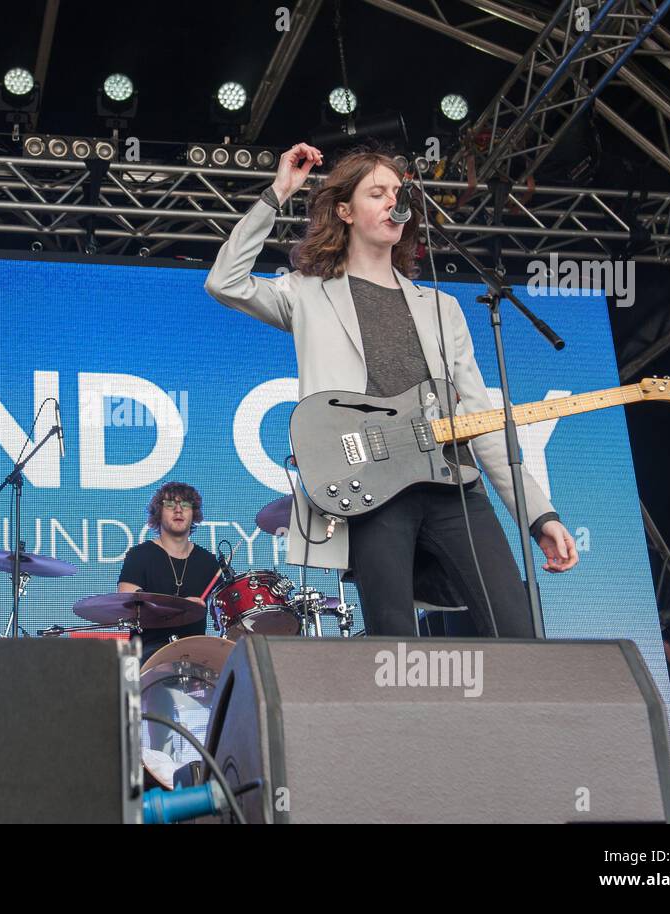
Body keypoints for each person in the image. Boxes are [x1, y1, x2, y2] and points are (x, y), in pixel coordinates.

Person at [204, 143, 579, 638]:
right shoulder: (308, 291)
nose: (392, 203)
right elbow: (225, 282)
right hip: (373, 489)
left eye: (397, 193)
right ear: (345, 211)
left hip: (455, 486)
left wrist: (540, 516)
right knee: (393, 640)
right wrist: (278, 193)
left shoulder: (441, 307)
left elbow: (482, 419)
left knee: (518, 631)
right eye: (376, 193)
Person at [118, 481, 217, 663]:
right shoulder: (139, 555)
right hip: (144, 657)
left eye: (185, 505)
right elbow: (127, 603)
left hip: (194, 658)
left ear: (193, 513)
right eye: (170, 505)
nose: (178, 510)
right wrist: (178, 607)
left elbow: (226, 611)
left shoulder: (209, 561)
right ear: (159, 513)